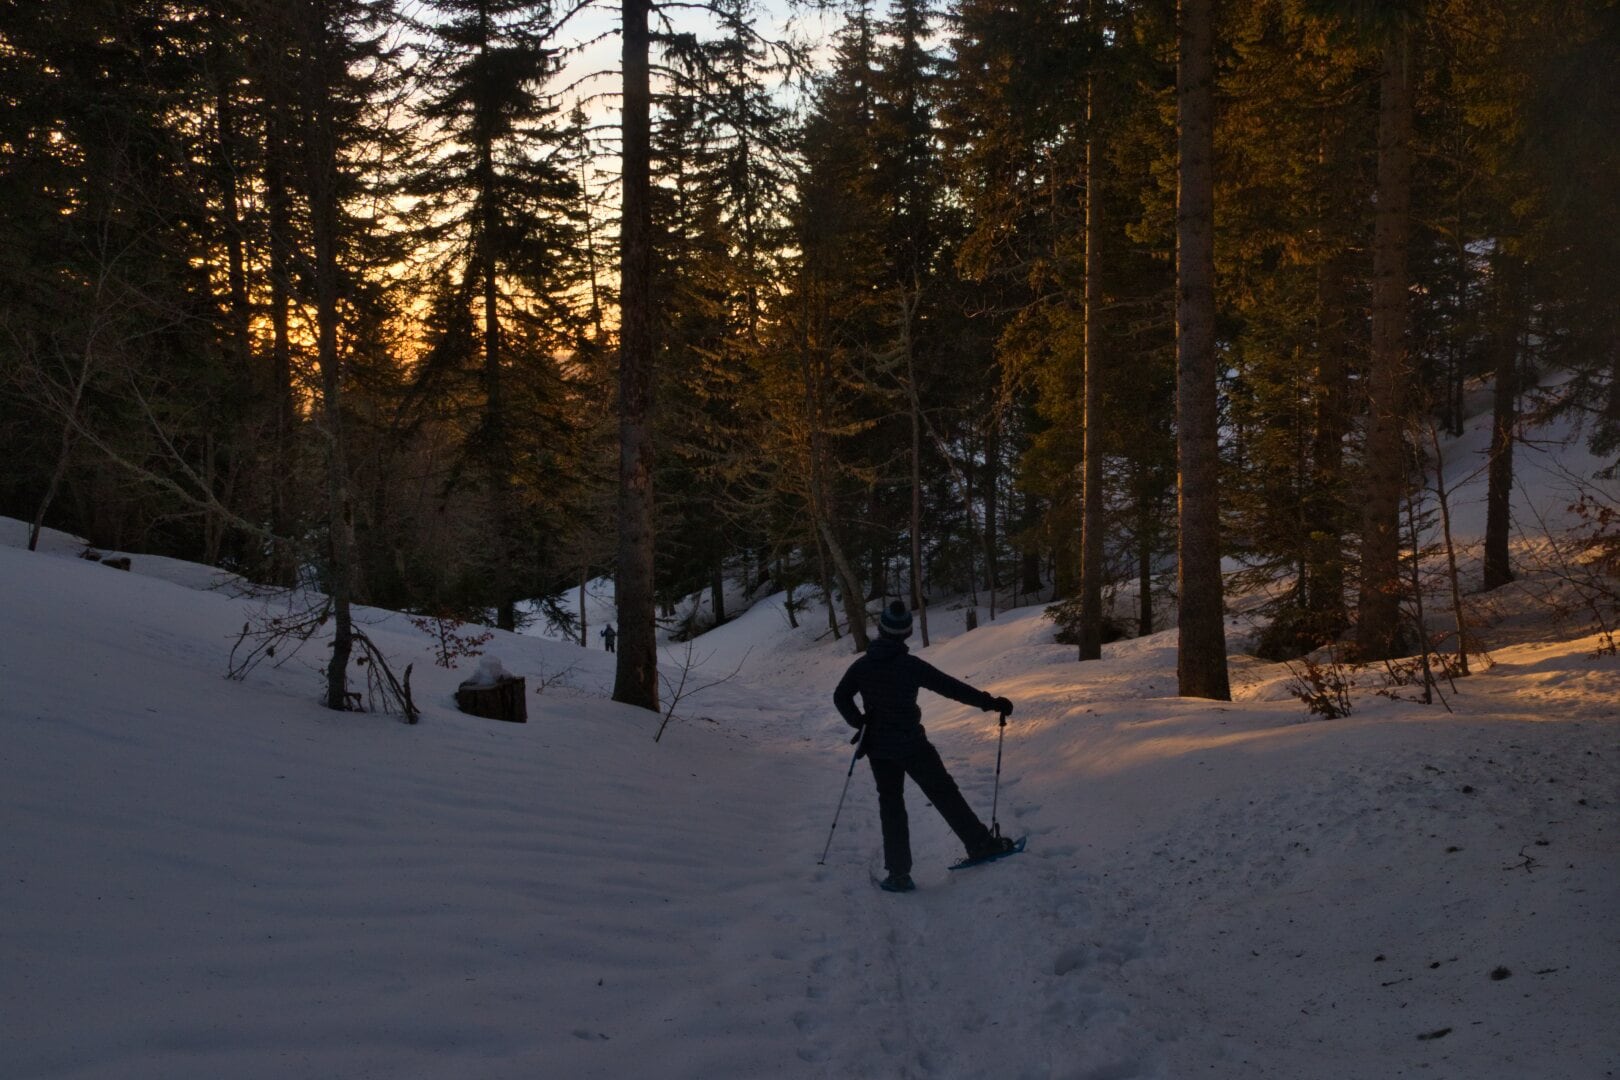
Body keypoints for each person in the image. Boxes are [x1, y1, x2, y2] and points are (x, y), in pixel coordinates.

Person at [833, 599, 1015, 892]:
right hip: (912, 744)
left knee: (891, 805)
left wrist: (861, 723)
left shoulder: (863, 666)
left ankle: (898, 874)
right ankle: (980, 845)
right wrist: (991, 704)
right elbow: (951, 687)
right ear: (907, 633)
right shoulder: (909, 665)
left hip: (879, 748)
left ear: (880, 630)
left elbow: (840, 696)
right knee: (943, 792)